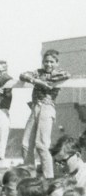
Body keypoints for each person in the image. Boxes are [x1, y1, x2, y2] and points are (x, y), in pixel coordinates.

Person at [20, 49, 69, 178]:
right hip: (35, 107)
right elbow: (23, 75)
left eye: (52, 62)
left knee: (42, 144)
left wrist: (42, 79)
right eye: (46, 61)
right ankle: (29, 175)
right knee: (25, 143)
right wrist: (38, 81)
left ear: (57, 63)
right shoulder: (38, 73)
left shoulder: (59, 72)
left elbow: (66, 75)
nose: (48, 64)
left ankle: (48, 177)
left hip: (47, 107)